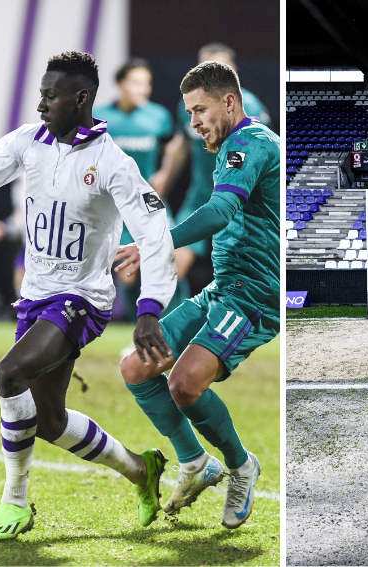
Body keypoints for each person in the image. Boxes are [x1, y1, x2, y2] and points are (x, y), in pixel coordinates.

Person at [0, 51, 177, 541]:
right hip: (36, 296)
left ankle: (14, 501)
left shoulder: (113, 162)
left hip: (81, 298)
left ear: (81, 98)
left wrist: (149, 310)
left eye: (50, 95)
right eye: (41, 93)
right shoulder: (28, 142)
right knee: (48, 419)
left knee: (9, 374)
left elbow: (154, 233)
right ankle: (138, 470)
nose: (41, 103)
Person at [116, 60, 279, 530]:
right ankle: (194, 461)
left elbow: (222, 210)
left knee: (184, 384)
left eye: (200, 109)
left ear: (229, 101)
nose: (193, 123)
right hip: (222, 289)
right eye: (189, 113)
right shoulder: (229, 145)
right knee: (136, 366)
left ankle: (241, 465)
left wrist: (157, 244)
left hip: (254, 297)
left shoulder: (253, 143)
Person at [149, 43, 271, 295]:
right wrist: (163, 178)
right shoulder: (191, 106)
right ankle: (166, 330)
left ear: (232, 71)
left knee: (238, 276)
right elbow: (180, 146)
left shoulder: (249, 105)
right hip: (199, 196)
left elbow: (258, 150)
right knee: (169, 265)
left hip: (237, 200)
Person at [94, 59, 187, 320]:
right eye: (136, 82)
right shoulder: (99, 118)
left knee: (171, 255)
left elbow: (174, 147)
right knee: (125, 271)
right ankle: (121, 319)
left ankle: (179, 315)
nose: (143, 89)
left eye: (147, 83)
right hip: (111, 205)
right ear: (120, 84)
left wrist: (164, 174)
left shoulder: (158, 117)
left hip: (147, 202)